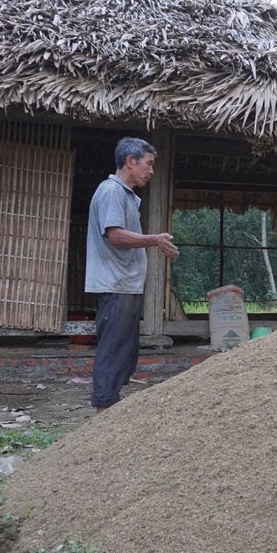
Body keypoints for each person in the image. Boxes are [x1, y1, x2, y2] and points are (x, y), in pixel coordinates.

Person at [85, 137, 179, 413]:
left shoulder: (123, 194)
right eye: (148, 164)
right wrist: (154, 239)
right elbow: (115, 235)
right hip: (116, 284)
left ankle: (110, 402)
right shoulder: (112, 192)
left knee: (123, 349)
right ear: (130, 161)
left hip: (124, 284)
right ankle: (104, 406)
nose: (151, 171)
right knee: (113, 348)